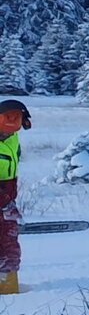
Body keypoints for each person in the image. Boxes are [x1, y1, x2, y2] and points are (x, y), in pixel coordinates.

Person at [0, 99, 28, 295]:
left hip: (7, 195)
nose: (10, 131)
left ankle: (8, 283)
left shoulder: (13, 139)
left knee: (9, 239)